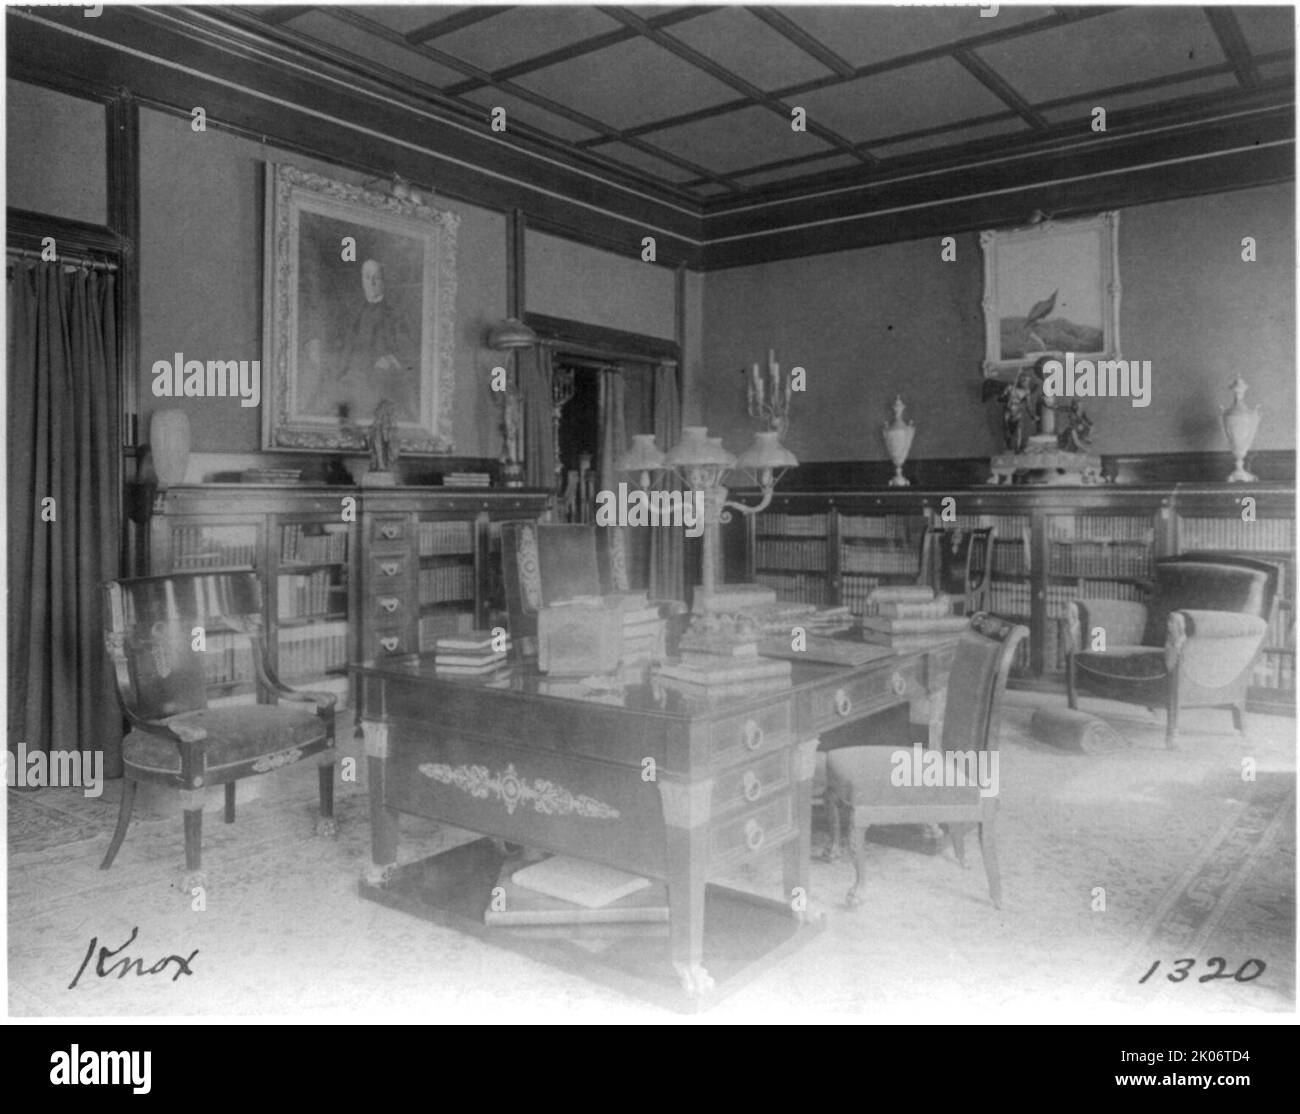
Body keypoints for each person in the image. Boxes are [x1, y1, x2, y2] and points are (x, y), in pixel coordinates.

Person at [333, 259, 419, 421]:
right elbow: (342, 345)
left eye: (376, 278)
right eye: (367, 277)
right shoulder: (354, 311)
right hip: (351, 376)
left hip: (379, 378)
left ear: (383, 281)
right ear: (362, 280)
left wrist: (392, 359)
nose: (371, 283)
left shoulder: (396, 314)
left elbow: (409, 351)